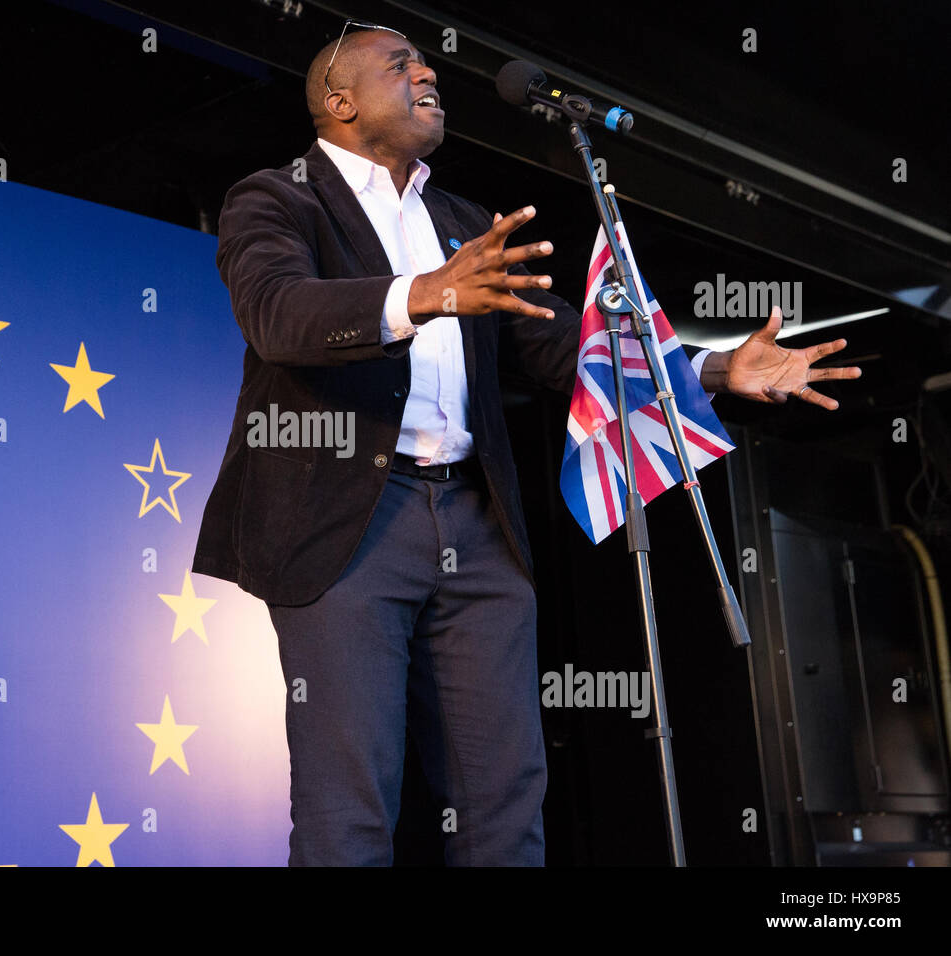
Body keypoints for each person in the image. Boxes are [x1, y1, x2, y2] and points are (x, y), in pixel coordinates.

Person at [191, 21, 860, 866]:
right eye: (401, 64)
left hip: (476, 523)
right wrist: (425, 293)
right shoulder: (278, 197)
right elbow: (277, 315)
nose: (428, 71)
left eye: (426, 62)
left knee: (506, 800)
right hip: (349, 528)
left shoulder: (463, 220)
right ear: (339, 99)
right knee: (350, 806)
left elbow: (562, 360)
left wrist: (720, 369)